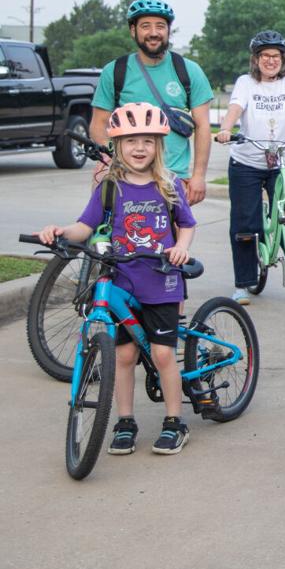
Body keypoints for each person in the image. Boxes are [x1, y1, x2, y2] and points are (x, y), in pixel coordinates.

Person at [38, 103, 198, 455]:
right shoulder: (109, 187)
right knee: (124, 357)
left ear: (159, 146)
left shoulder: (168, 185)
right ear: (116, 146)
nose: (139, 148)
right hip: (122, 283)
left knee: (163, 355)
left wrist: (181, 248)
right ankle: (125, 420)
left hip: (161, 283)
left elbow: (186, 224)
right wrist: (60, 231)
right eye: (130, 141)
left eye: (147, 141)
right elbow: (85, 226)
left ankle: (175, 421)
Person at [213, 31, 285, 303]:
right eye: (264, 55)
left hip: (282, 160)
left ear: (283, 59)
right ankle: (243, 283)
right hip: (247, 162)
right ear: (256, 59)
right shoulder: (245, 83)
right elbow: (235, 107)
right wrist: (227, 128)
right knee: (245, 223)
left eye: (275, 56)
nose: (270, 60)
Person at [89, 0, 214, 204]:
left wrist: (199, 176)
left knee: (173, 234)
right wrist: (112, 159)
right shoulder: (115, 71)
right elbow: (98, 125)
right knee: (105, 229)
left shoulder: (189, 70)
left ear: (168, 31)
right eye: (146, 26)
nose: (154, 32)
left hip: (172, 175)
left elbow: (203, 126)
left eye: (160, 26)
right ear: (133, 30)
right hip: (123, 175)